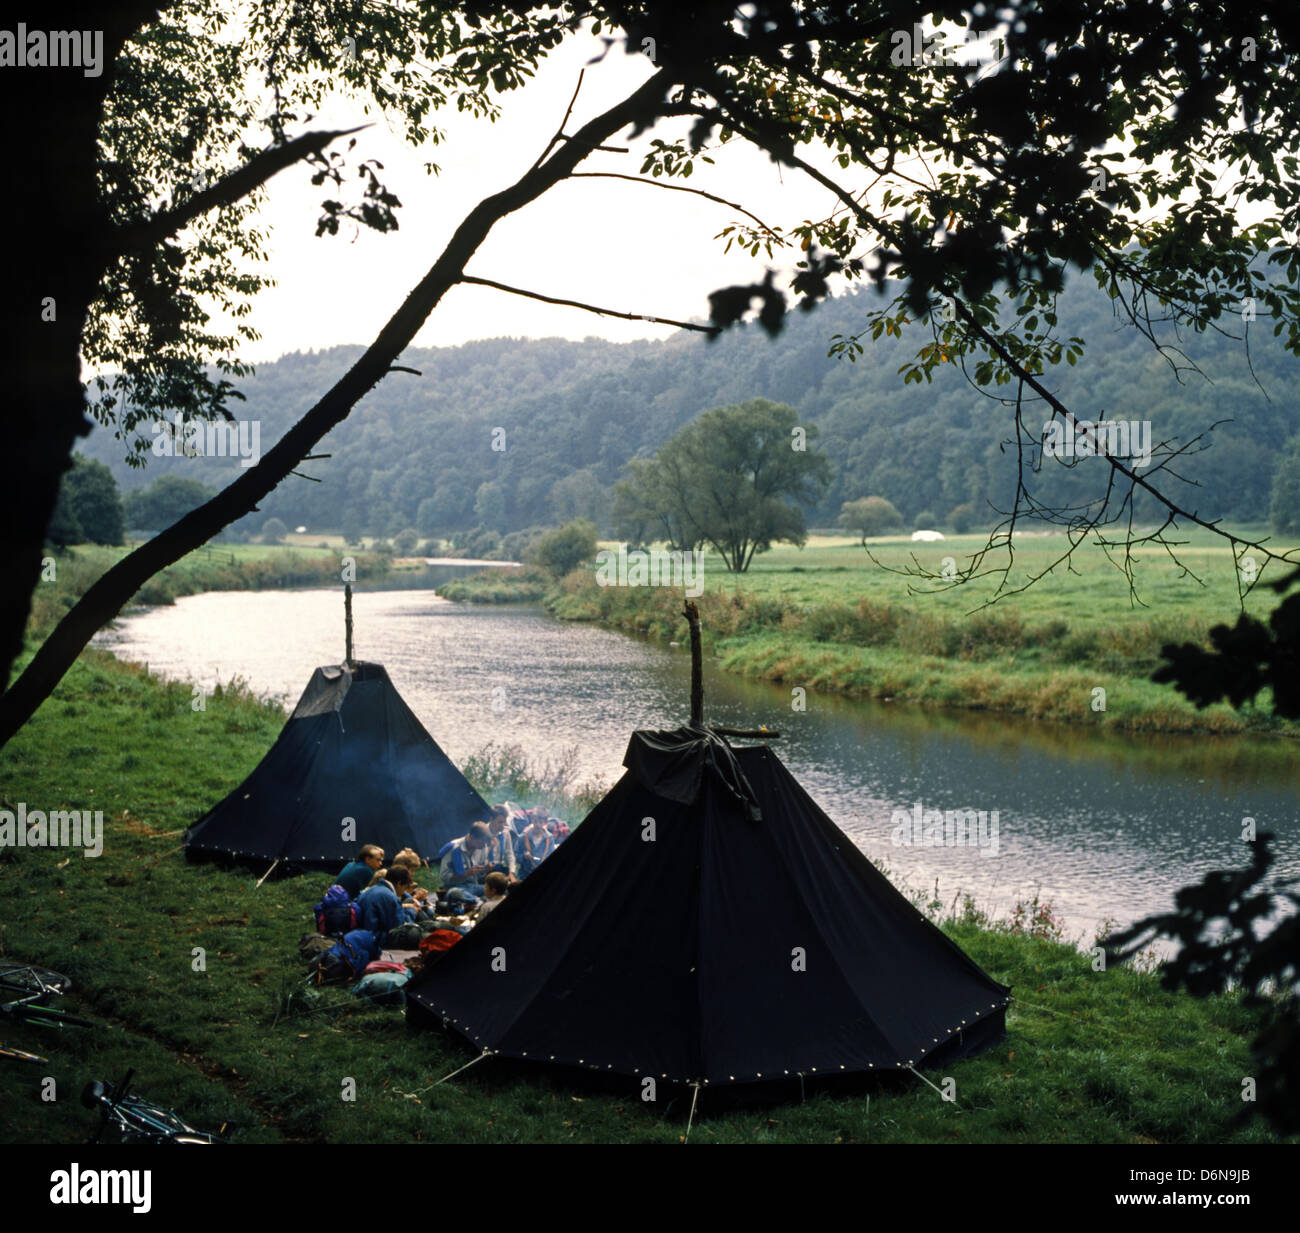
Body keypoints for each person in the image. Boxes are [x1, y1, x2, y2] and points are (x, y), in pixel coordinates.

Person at [357, 864, 416, 945]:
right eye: (405, 888)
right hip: (375, 938)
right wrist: (412, 911)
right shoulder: (390, 897)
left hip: (361, 933)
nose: (403, 892)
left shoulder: (372, 889)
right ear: (399, 884)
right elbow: (400, 929)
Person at [438, 822, 493, 893]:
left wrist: (485, 869)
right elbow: (444, 877)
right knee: (457, 893)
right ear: (472, 837)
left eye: (485, 842)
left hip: (473, 885)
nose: (483, 845)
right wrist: (466, 874)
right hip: (455, 887)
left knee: (494, 892)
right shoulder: (453, 848)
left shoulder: (482, 847)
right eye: (481, 842)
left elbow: (479, 875)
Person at [517, 811, 556, 878]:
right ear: (532, 820)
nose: (538, 825)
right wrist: (524, 856)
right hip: (525, 874)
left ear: (545, 823)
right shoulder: (523, 837)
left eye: (540, 822)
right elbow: (516, 855)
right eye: (535, 821)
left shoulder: (549, 838)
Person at [486, 815, 517, 879]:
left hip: (499, 868)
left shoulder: (505, 832)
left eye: (504, 822)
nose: (502, 825)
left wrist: (511, 872)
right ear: (491, 819)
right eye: (500, 822)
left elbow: (509, 854)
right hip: (485, 870)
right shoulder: (483, 832)